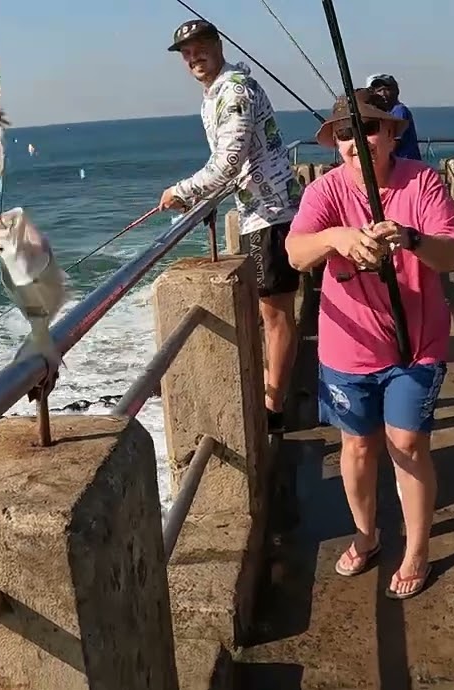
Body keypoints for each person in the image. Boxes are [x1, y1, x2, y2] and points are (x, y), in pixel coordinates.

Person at [285, 89, 454, 599]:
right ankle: (366, 534)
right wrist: (339, 239)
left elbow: (452, 254)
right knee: (358, 445)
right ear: (333, 143)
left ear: (390, 134)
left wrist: (408, 238)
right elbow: (297, 252)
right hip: (348, 346)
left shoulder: (423, 182)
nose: (356, 142)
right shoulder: (324, 193)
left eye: (367, 129)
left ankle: (416, 548)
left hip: (417, 343)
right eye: (344, 133)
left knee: (407, 443)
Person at [161, 19, 302, 432]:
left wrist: (183, 192)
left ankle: (274, 408)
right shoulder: (217, 92)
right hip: (259, 209)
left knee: (276, 315)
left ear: (217, 45)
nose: (193, 57)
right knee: (269, 310)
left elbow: (229, 160)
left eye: (200, 47)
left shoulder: (235, 90)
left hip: (271, 213)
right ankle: (272, 391)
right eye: (186, 53)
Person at [367, 74, 423, 161]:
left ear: (396, 91)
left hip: (406, 164)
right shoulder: (385, 113)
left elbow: (392, 143)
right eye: (379, 90)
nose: (383, 94)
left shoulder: (399, 110)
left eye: (387, 89)